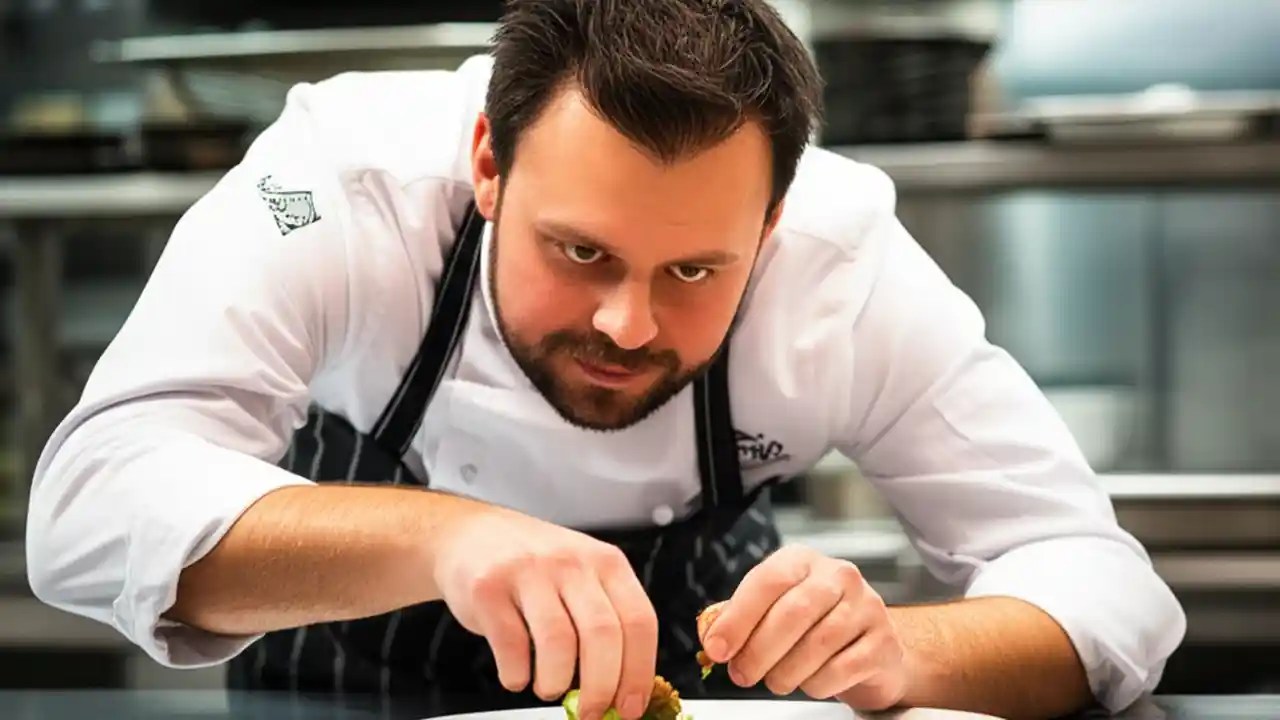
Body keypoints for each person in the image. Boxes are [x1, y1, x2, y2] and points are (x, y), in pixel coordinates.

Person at [25, 2, 1185, 719]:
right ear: (487, 161)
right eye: (578, 250)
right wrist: (444, 537)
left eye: (694, 271)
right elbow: (90, 503)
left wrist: (903, 650)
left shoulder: (847, 267)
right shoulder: (330, 190)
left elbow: (1098, 576)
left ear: (771, 224)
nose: (628, 323)